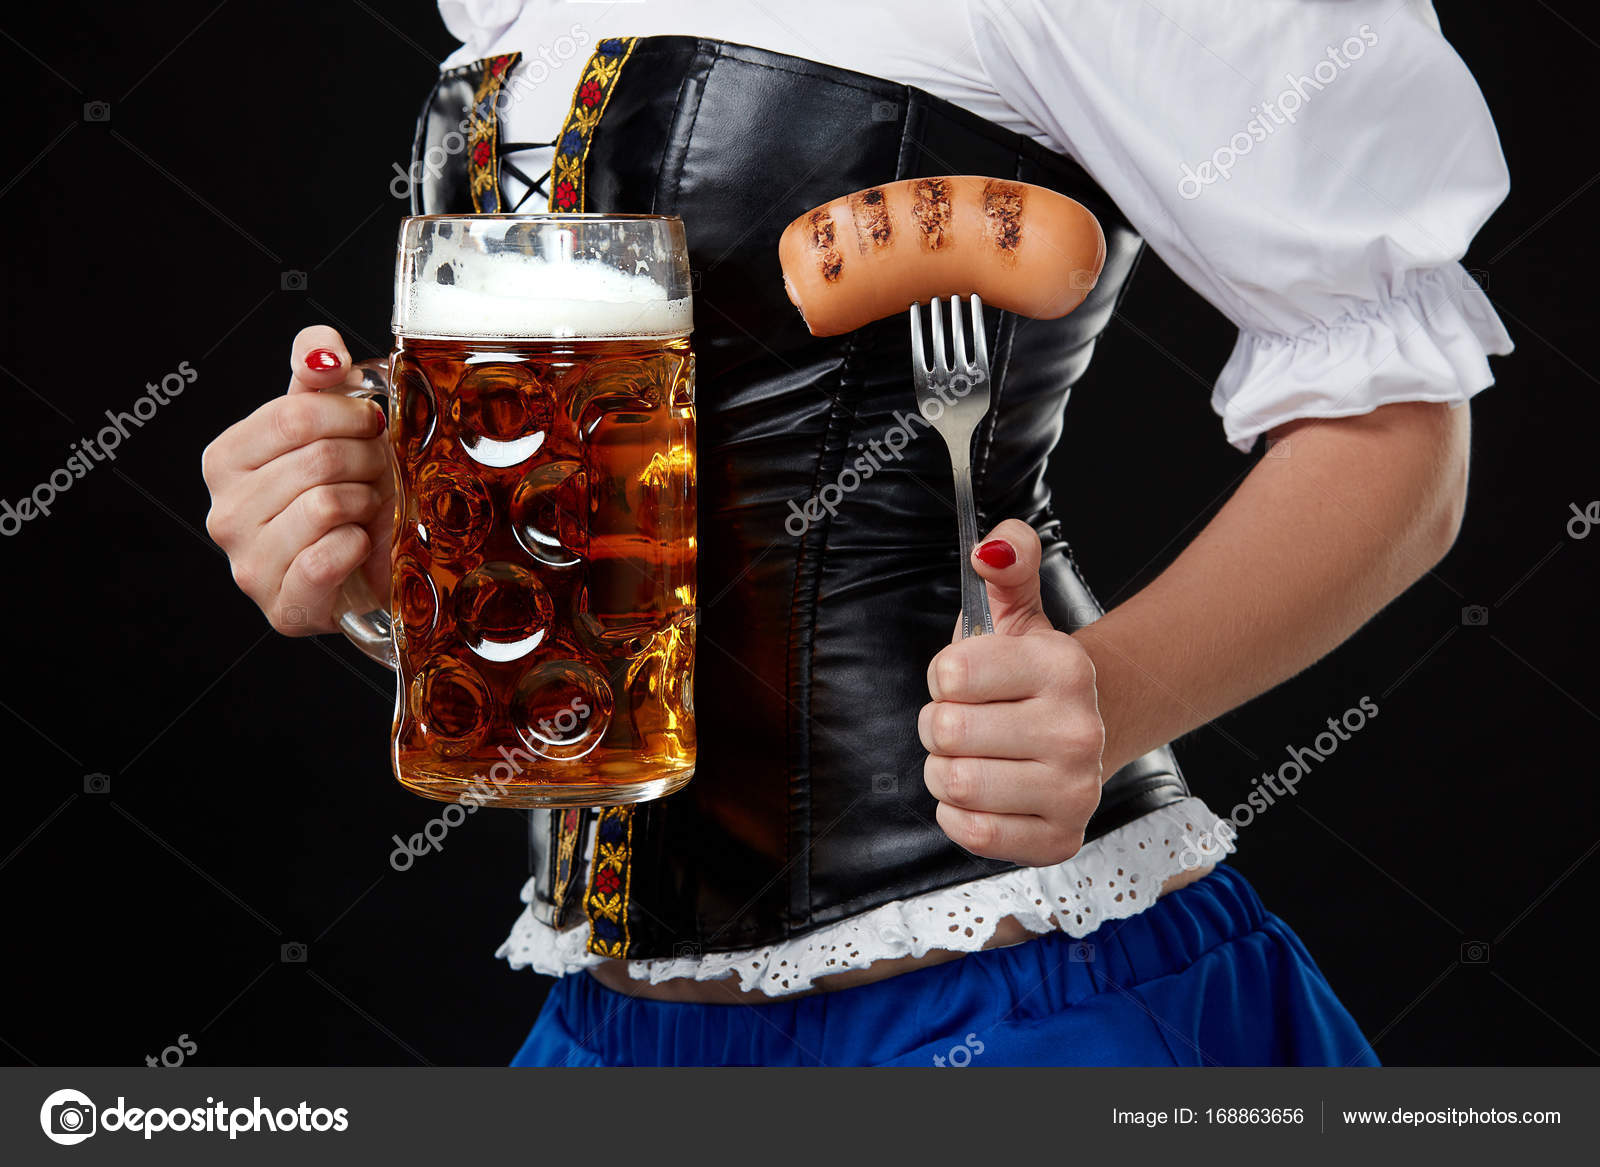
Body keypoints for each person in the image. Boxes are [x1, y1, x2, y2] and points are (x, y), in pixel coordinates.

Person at [200, 0, 1510, 1066]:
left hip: (1011, 1003)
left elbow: (1399, 422)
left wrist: (1105, 701)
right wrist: (389, 557)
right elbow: (600, 531)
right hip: (612, 1040)